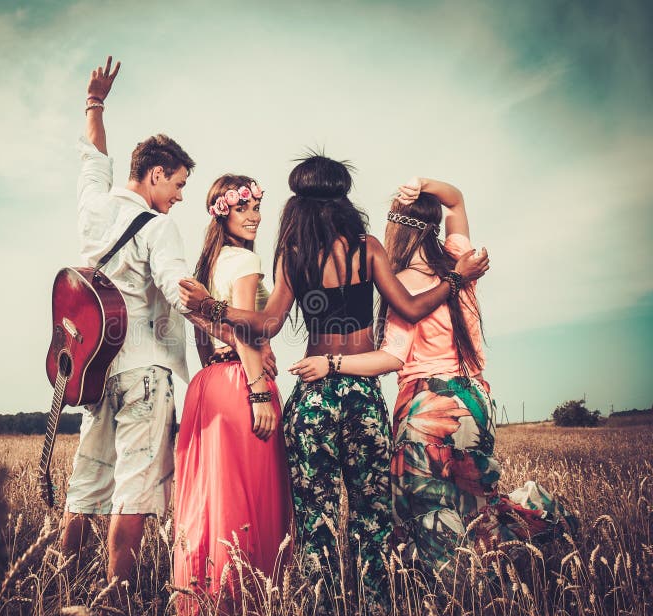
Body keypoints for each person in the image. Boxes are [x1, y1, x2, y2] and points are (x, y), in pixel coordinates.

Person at [178, 156, 490, 593]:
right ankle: (376, 614)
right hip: (362, 396)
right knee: (372, 519)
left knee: (314, 523)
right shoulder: (368, 247)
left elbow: (266, 324)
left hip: (314, 397)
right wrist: (456, 279)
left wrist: (211, 307)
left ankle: (322, 615)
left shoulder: (294, 255)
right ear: (343, 199)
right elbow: (412, 308)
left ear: (298, 205)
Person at [289, 177, 577, 580]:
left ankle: (460, 595)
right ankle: (533, 525)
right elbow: (457, 200)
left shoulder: (405, 281)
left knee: (434, 520)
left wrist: (332, 363)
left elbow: (391, 358)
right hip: (475, 400)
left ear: (397, 230)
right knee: (475, 506)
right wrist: (424, 183)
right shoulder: (458, 261)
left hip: (428, 406)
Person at [62, 57, 248, 588]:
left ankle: (61, 585)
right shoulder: (159, 227)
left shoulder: (94, 209)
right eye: (179, 184)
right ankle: (116, 600)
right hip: (146, 373)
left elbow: (93, 159)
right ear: (156, 174)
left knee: (86, 485)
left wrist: (94, 102)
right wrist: (235, 332)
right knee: (136, 492)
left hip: (98, 372)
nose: (181, 196)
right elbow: (178, 294)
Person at [172, 175, 292, 616]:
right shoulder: (244, 259)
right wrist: (258, 387)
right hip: (242, 383)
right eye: (245, 209)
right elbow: (247, 328)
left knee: (210, 502)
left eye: (258, 207)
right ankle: (245, 614)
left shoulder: (208, 265)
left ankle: (202, 612)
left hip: (207, 386)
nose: (255, 216)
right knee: (247, 505)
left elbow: (207, 339)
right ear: (224, 212)